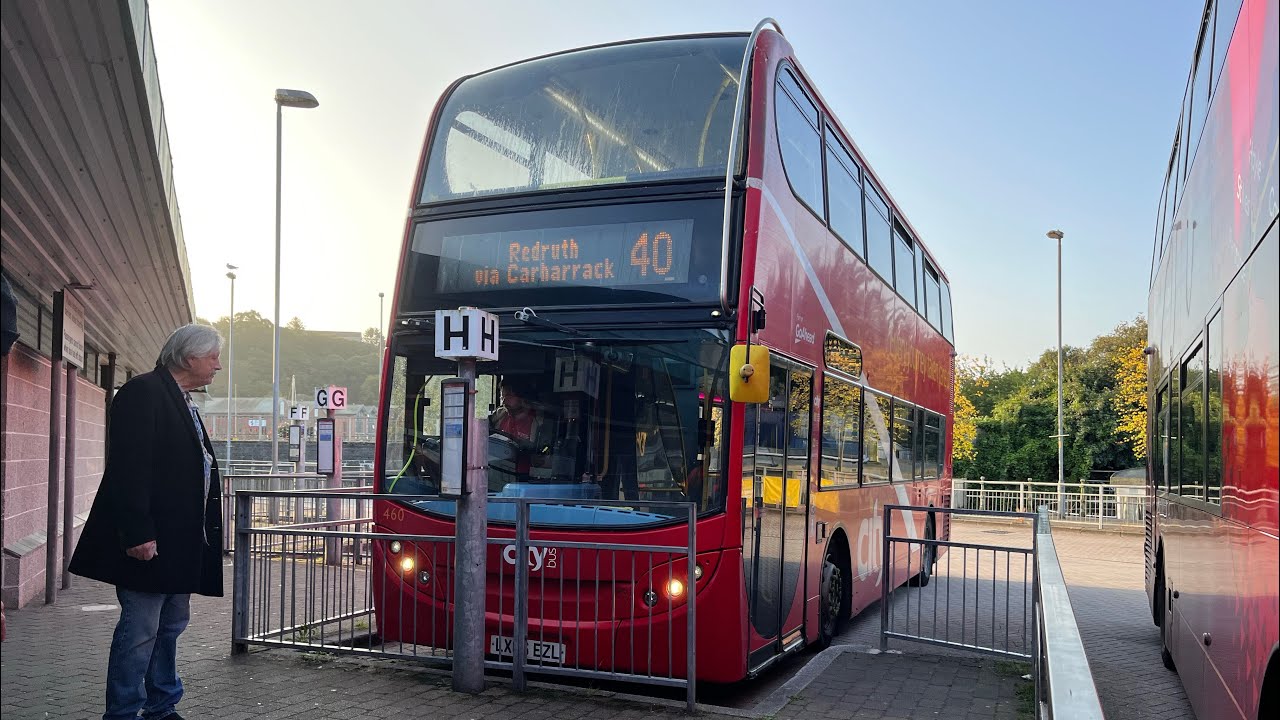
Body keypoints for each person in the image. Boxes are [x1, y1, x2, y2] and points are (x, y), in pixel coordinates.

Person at [69, 323, 225, 720]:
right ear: (190, 357)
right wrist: (138, 532)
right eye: (213, 357)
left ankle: (161, 705)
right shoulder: (143, 392)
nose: (218, 366)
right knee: (140, 631)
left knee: (171, 625)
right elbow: (128, 468)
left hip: (179, 544)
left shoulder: (181, 398)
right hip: (150, 543)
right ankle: (123, 712)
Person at [489, 378, 551, 477]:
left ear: (523, 397)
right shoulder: (497, 416)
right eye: (502, 397)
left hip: (525, 479)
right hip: (496, 473)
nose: (504, 401)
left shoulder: (541, 424)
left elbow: (543, 457)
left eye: (509, 396)